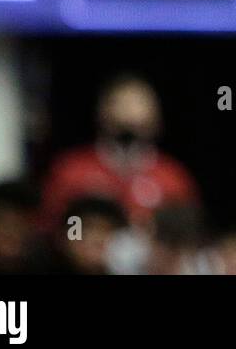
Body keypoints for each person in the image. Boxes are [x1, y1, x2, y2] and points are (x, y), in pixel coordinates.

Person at [41, 74, 200, 231]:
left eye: (138, 103)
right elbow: (50, 227)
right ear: (102, 113)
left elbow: (185, 235)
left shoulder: (173, 178)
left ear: (156, 118)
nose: (129, 112)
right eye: (121, 103)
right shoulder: (71, 170)